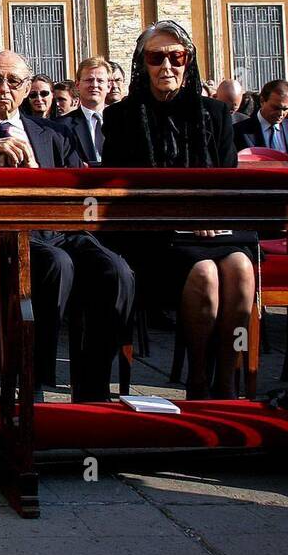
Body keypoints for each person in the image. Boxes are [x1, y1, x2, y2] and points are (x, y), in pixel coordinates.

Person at [0, 50, 134, 402]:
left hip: (57, 227)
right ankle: (35, 377)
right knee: (56, 265)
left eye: (13, 81)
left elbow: (77, 188)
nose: (4, 88)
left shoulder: (52, 132)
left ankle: (92, 386)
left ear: (27, 87)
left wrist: (35, 171)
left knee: (116, 270)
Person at [102, 21, 256, 399]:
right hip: (155, 233)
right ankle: (198, 378)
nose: (167, 66)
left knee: (241, 269)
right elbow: (119, 189)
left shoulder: (216, 114)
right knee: (205, 273)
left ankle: (228, 379)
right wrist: (181, 216)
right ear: (143, 64)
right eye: (156, 57)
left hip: (214, 226)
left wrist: (206, 215)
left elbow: (227, 179)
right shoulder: (121, 117)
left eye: (176, 56)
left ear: (188, 62)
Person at [61, 56, 112, 165]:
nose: (94, 85)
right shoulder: (61, 126)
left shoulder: (122, 121)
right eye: (89, 80)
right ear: (77, 85)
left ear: (108, 86)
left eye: (100, 81)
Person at [234, 79, 288, 154]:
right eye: (276, 108)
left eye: (285, 109)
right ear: (262, 101)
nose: (281, 113)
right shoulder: (238, 131)